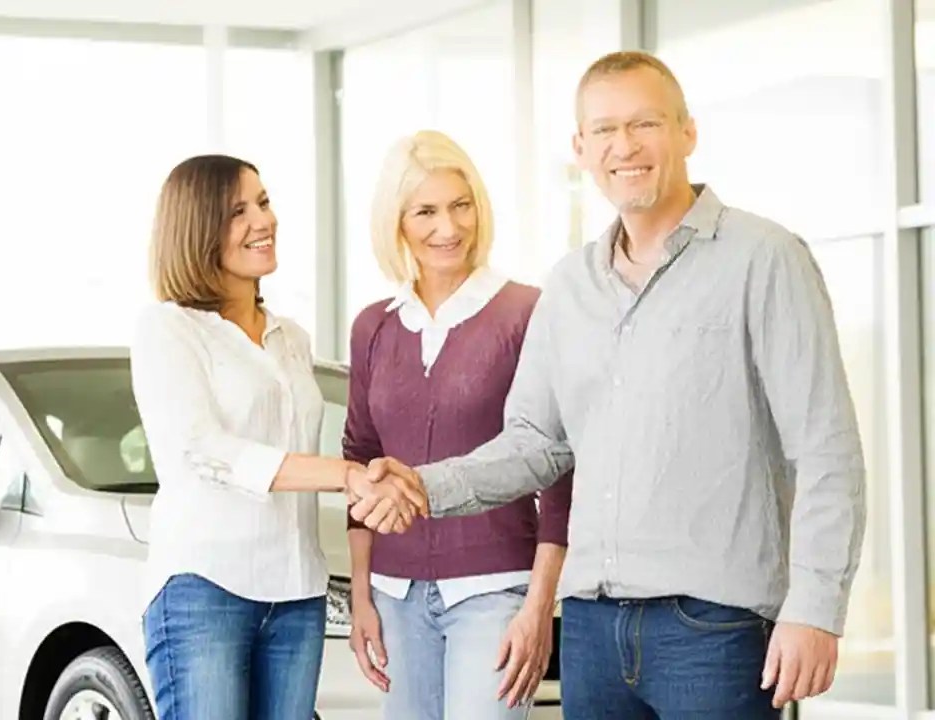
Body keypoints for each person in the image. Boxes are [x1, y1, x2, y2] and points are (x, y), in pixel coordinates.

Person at [353, 51, 866, 718]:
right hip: (592, 626)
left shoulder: (763, 258)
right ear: (581, 148)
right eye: (604, 131)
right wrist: (424, 485)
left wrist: (816, 610)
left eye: (644, 124)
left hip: (714, 629)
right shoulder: (571, 285)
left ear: (687, 133)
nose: (624, 146)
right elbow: (537, 443)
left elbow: (827, 449)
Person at [130, 154, 427, 720]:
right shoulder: (168, 328)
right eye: (238, 210)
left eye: (263, 202)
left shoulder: (291, 337)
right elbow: (205, 449)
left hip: (297, 591)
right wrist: (346, 476)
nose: (262, 220)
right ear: (196, 228)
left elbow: (340, 434)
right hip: (205, 589)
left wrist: (382, 475)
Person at [342, 130, 572, 719]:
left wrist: (540, 604)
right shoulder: (374, 327)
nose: (449, 228)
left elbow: (561, 468)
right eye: (426, 211)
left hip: (497, 589)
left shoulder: (528, 312)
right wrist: (362, 596)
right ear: (397, 222)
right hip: (394, 597)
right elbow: (360, 458)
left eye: (460, 205)